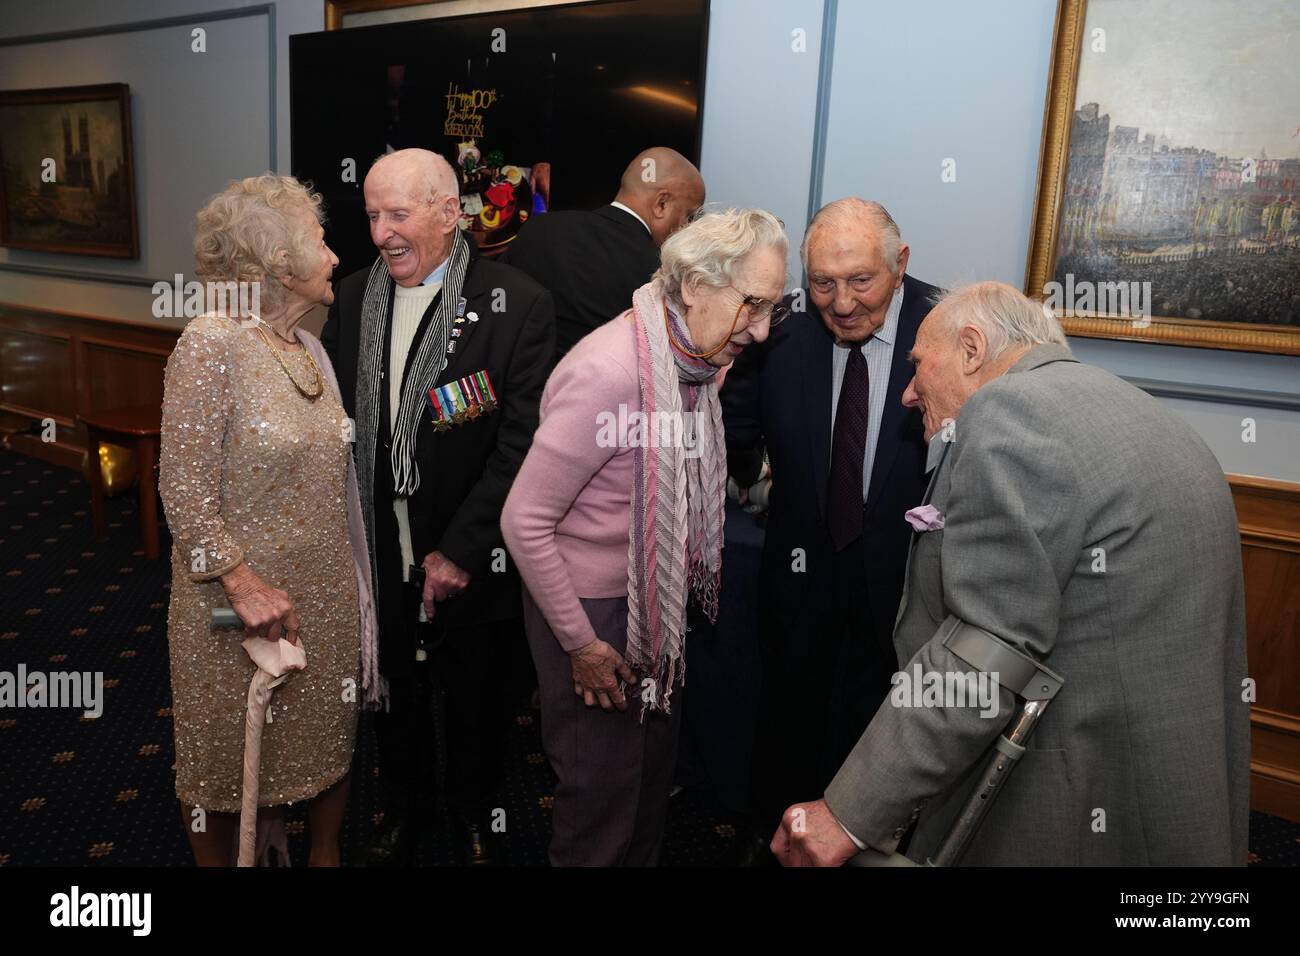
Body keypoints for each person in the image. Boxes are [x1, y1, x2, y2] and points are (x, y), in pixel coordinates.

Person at [773, 281, 1250, 866]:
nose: (907, 392)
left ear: (971, 349)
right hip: (1169, 784)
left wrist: (848, 814)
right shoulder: (1141, 412)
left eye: (918, 366)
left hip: (1064, 788)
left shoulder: (1009, 413)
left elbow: (986, 654)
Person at [501, 208, 788, 865]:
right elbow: (523, 520)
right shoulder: (612, 373)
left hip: (651, 598)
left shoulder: (692, 363)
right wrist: (581, 645)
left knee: (648, 782)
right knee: (600, 801)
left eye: (775, 308)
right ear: (695, 287)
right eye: (754, 305)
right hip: (590, 612)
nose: (765, 329)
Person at [320, 148, 554, 865]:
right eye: (372, 215)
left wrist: (458, 548)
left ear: (451, 213)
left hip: (470, 548)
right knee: (395, 691)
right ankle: (409, 807)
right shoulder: (353, 297)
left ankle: (474, 809)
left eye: (400, 214)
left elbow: (522, 445)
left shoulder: (517, 304)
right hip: (375, 542)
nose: (383, 232)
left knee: (477, 697)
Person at [160, 174, 377, 867]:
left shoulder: (307, 349)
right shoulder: (212, 342)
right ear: (284, 266)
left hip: (323, 597)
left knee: (323, 742)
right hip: (231, 607)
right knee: (221, 765)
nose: (336, 256)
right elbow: (183, 490)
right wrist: (244, 584)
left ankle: (324, 856)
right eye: (321, 242)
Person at [720, 198, 939, 862]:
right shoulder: (781, 327)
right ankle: (778, 835)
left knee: (881, 725)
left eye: (861, 281)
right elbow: (734, 425)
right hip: (798, 567)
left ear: (900, 265)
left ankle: (870, 842)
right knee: (789, 714)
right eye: (823, 282)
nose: (841, 303)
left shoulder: (947, 328)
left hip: (900, 575)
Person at [502, 146, 705, 359]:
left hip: (521, 385)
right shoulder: (659, 274)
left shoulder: (538, 229)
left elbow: (500, 309)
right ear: (661, 204)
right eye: (689, 216)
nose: (687, 228)